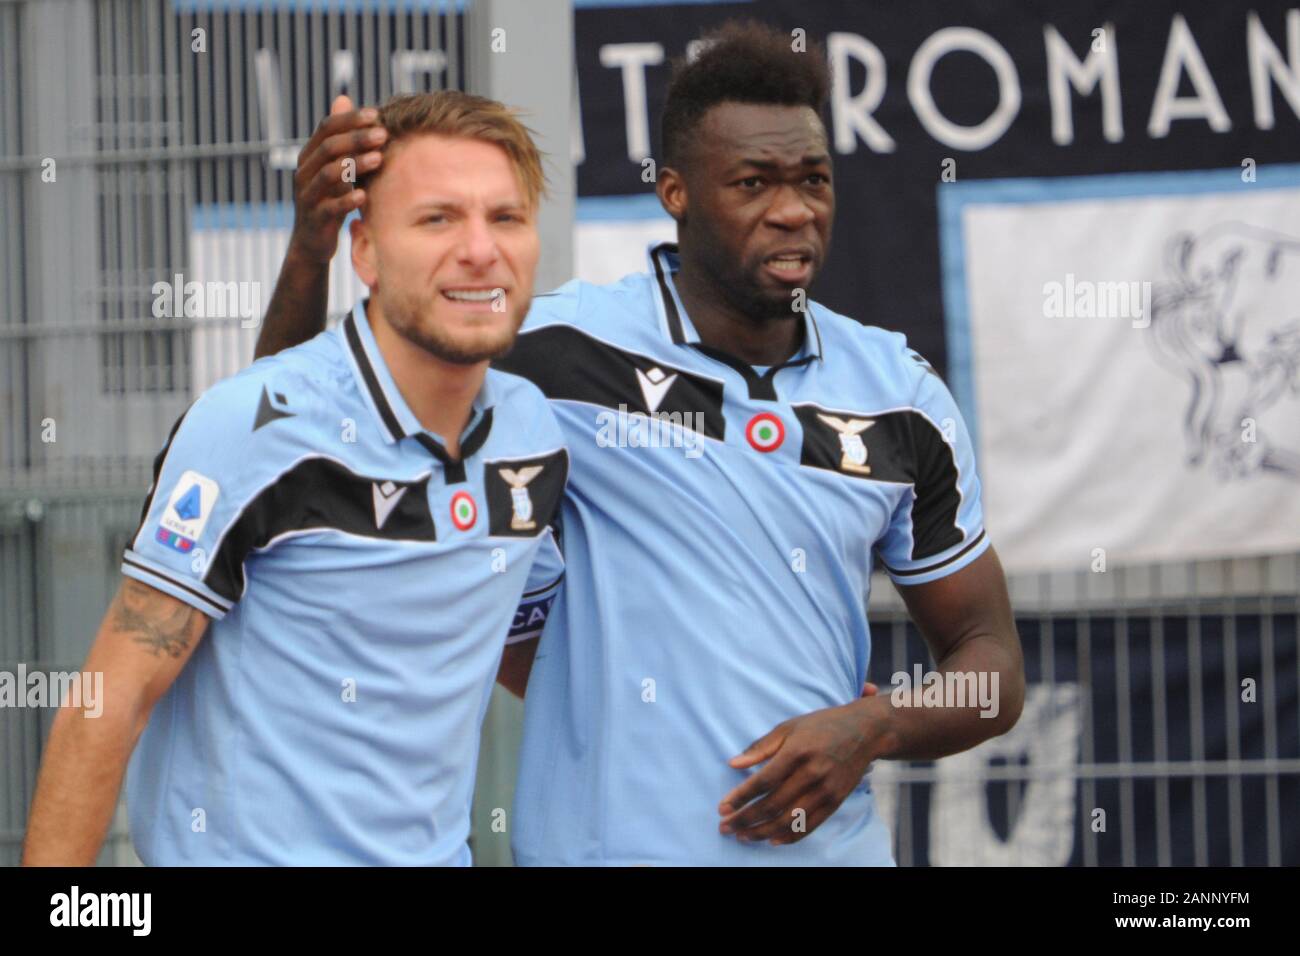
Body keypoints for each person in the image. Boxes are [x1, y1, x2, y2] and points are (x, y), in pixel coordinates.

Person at [256, 21, 1025, 865]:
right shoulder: (555, 350)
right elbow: (295, 433)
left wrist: (875, 725)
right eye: (754, 183)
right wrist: (310, 248)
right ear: (676, 192)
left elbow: (992, 667)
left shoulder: (899, 395)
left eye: (814, 180)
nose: (794, 211)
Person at [22, 90, 567, 866]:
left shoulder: (533, 434)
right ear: (365, 251)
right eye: (438, 218)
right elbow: (109, 705)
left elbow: (532, 652)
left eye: (505, 218)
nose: (481, 250)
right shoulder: (252, 424)